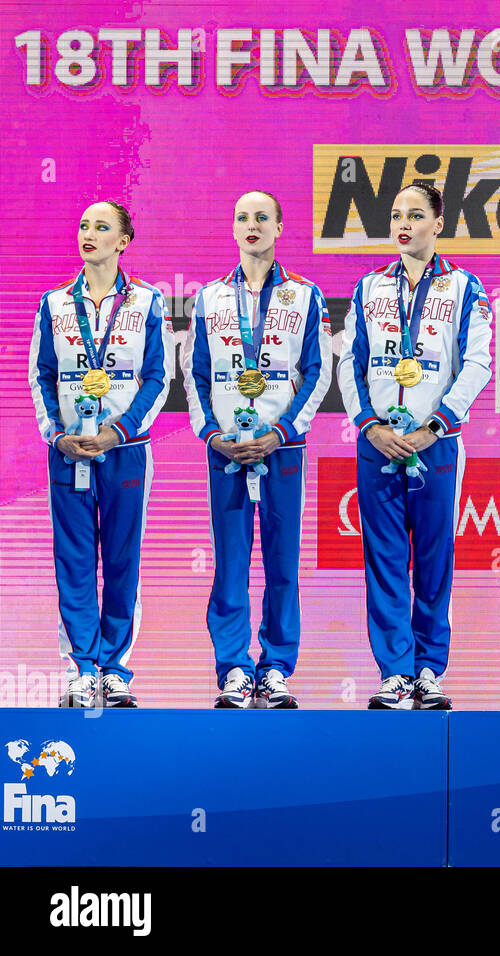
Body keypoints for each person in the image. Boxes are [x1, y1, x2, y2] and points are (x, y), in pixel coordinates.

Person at [339, 182, 492, 710]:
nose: (404, 223)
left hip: (437, 444)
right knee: (382, 560)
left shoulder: (465, 288)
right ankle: (394, 672)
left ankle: (428, 669)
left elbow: (476, 364)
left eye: (416, 214)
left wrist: (437, 425)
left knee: (433, 560)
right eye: (397, 215)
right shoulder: (368, 288)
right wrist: (369, 426)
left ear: (438, 224)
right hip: (378, 444)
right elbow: (348, 363)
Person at [181, 190, 332, 709]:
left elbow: (318, 373)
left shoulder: (306, 296)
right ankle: (234, 670)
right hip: (225, 451)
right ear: (232, 228)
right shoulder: (208, 298)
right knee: (229, 562)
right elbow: (194, 373)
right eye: (242, 216)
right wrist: (212, 435)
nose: (252, 225)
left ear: (280, 227)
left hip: (282, 449)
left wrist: (285, 430)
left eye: (262, 217)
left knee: (283, 562)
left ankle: (275, 669)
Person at [29, 200, 173, 708]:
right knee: (72, 559)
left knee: (120, 558)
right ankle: (80, 666)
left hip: (125, 450)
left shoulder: (148, 302)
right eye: (84, 225)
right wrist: (55, 435)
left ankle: (113, 668)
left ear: (124, 241)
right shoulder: (54, 304)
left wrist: (120, 430)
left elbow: (158, 379)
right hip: (68, 450)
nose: (89, 233)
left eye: (102, 227)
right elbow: (42, 375)